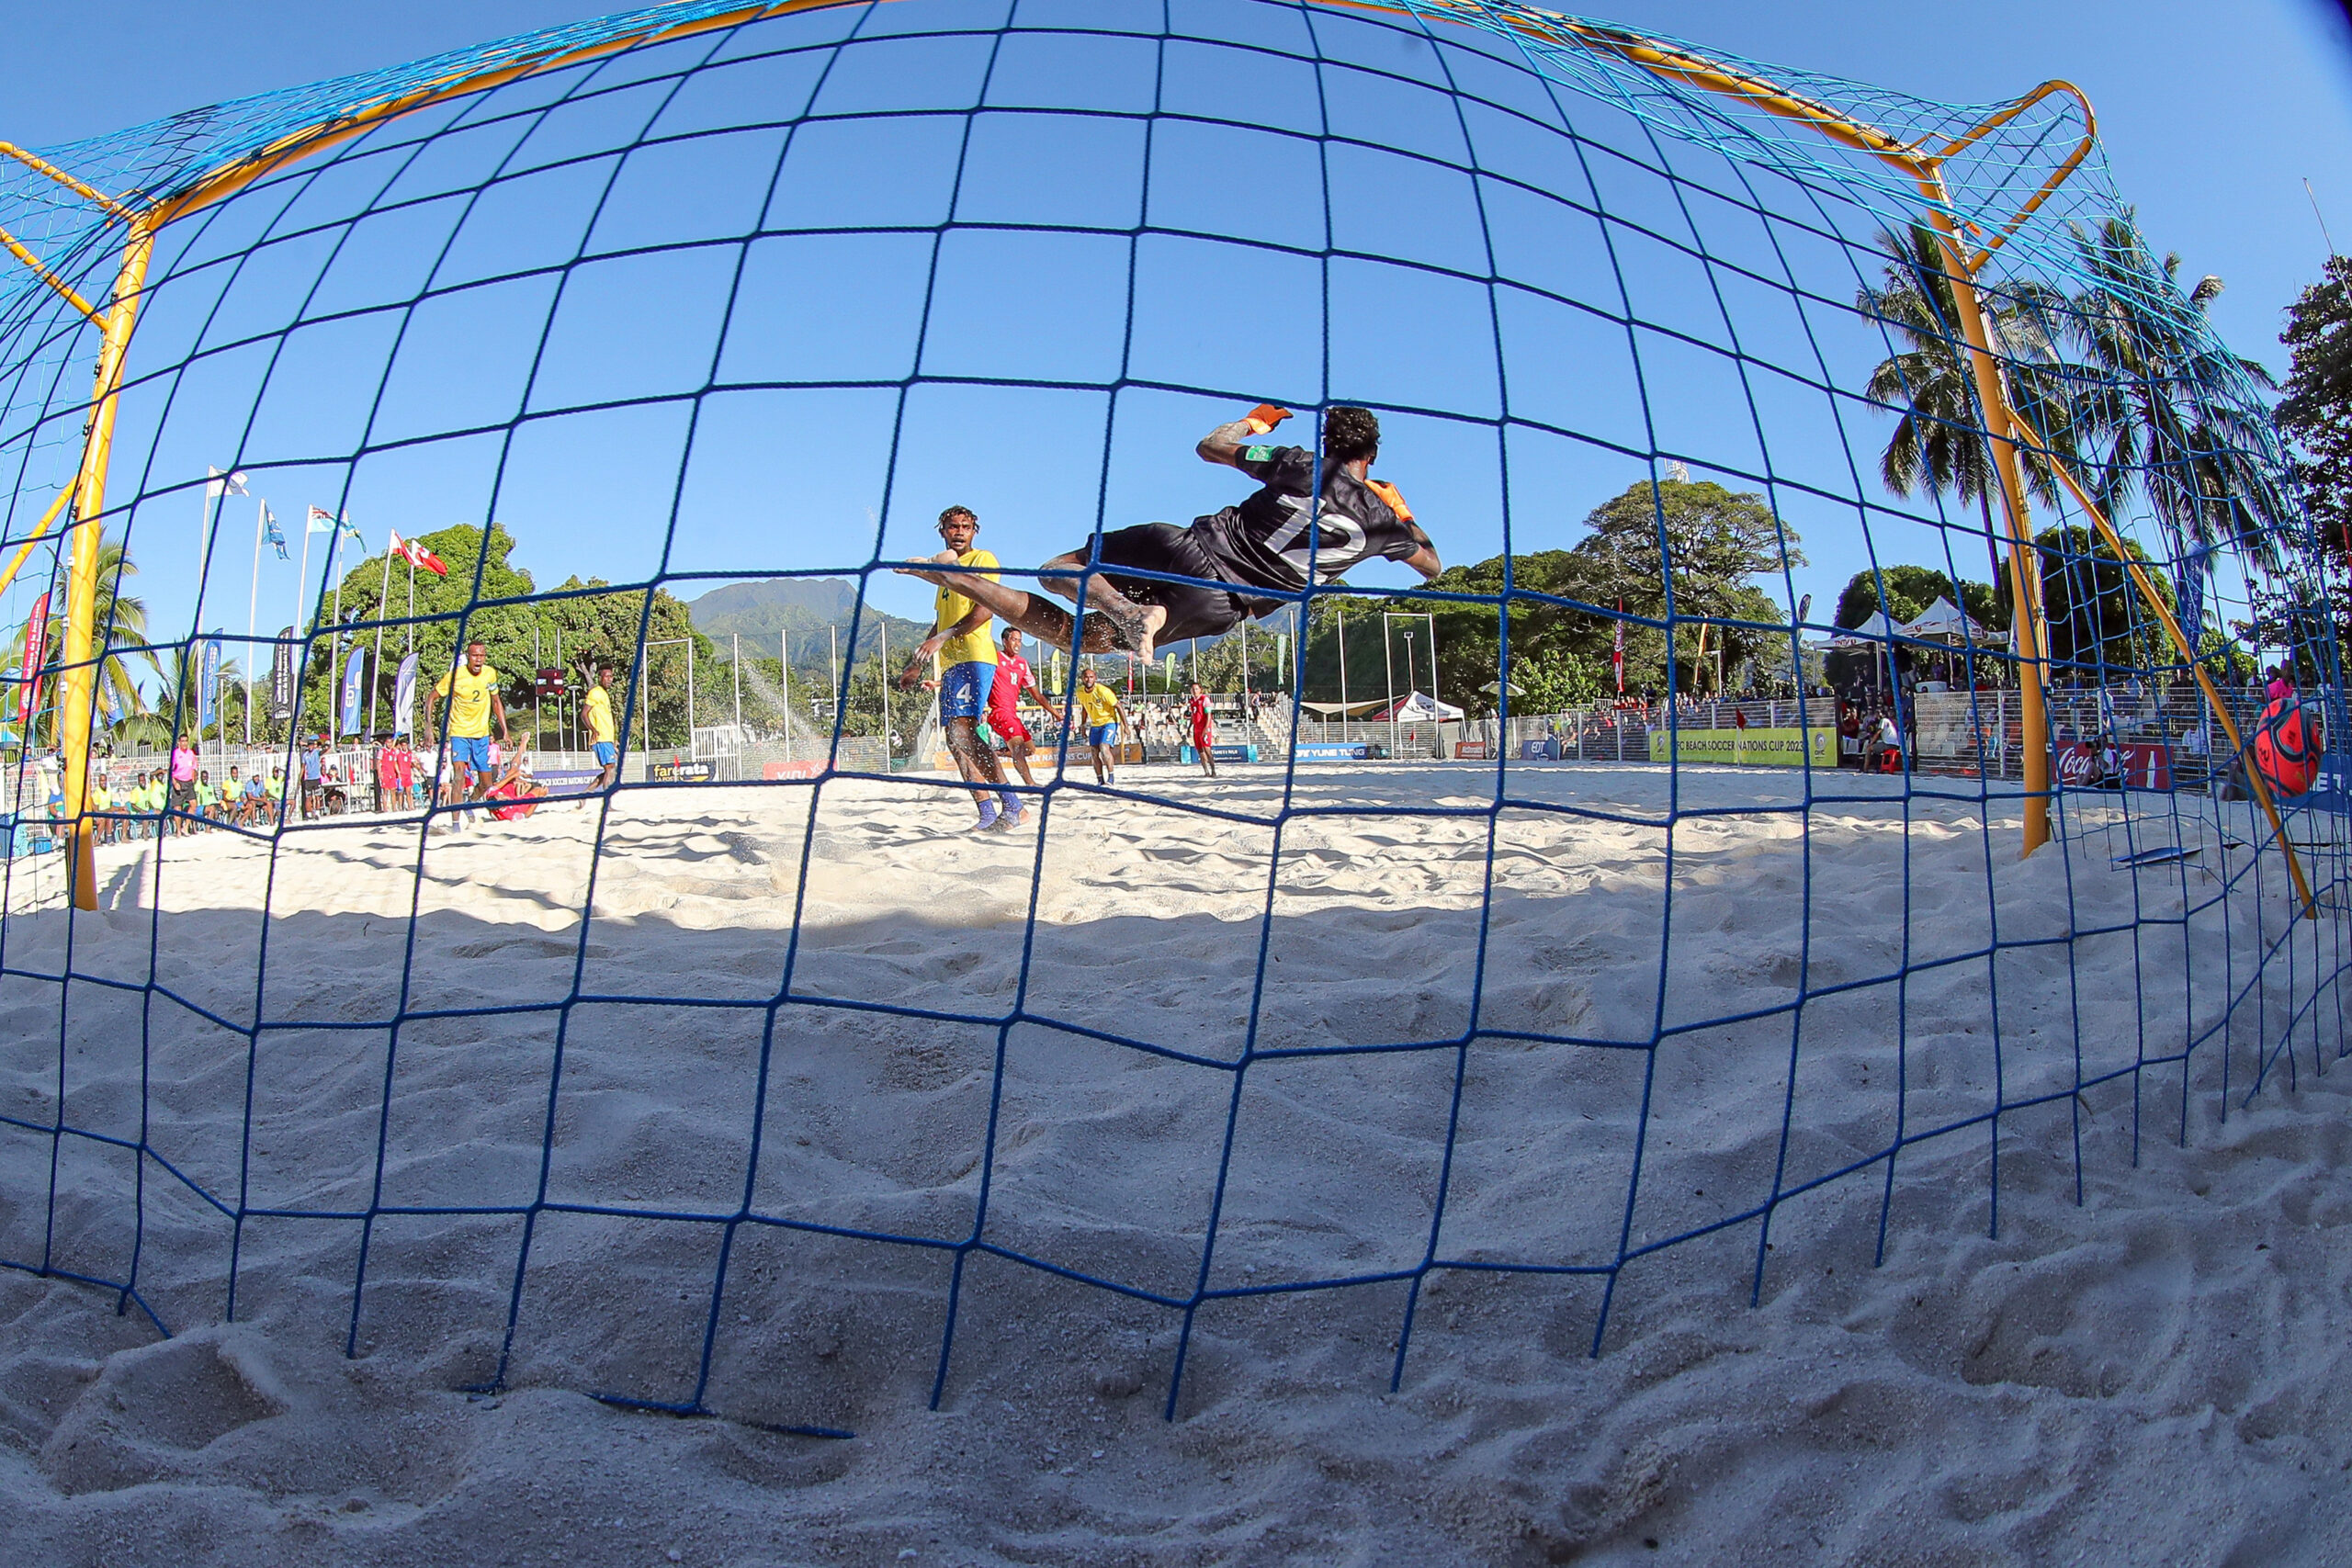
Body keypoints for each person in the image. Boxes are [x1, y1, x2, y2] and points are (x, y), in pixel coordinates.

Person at [894, 406, 1442, 663]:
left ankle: (967, 580)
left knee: (1057, 570)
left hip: (1185, 548)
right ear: (1371, 456)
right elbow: (1431, 566)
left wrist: (1257, 421)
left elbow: (1211, 444)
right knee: (1077, 639)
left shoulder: (1303, 465)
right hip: (1222, 605)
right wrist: (1403, 513)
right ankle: (1139, 617)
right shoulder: (1383, 521)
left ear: (1329, 442)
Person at [898, 506, 1022, 831]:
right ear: (943, 531)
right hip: (952, 663)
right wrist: (915, 665)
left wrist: (942, 637)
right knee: (955, 740)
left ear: (974, 531)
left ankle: (1013, 804)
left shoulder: (983, 560)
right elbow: (941, 621)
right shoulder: (945, 578)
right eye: (953, 527)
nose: (959, 531)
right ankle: (986, 813)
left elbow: (984, 611)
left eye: (965, 526)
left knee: (965, 732)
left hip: (975, 656)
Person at [425, 640, 511, 809]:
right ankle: (455, 823)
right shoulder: (455, 676)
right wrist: (428, 727)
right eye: (475, 656)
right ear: (468, 657)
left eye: (482, 656)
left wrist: (505, 731)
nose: (478, 659)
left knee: (487, 784)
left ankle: (469, 805)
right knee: (458, 776)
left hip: (481, 734)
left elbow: (496, 702)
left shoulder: (490, 674)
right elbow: (431, 697)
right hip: (459, 732)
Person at [986, 628, 1046, 790]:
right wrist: (937, 683)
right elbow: (976, 676)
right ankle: (1030, 784)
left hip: (1012, 713)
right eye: (1014, 639)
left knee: (1029, 750)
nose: (1017, 644)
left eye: (1020, 640)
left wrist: (1056, 713)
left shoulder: (1022, 663)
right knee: (1019, 749)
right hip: (1000, 712)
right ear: (1005, 641)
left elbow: (1036, 694)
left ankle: (998, 753)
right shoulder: (994, 658)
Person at [1072, 666, 1125, 786]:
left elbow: (1119, 706)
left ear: (1095, 678)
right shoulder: (1080, 692)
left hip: (1109, 722)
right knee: (1094, 751)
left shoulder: (1103, 691)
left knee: (1104, 747)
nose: (1088, 679)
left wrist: (1125, 725)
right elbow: (1084, 708)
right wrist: (1083, 725)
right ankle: (1100, 780)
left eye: (1091, 677)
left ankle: (1111, 778)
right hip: (1095, 724)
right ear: (1082, 679)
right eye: (1086, 677)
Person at [583, 666, 620, 794]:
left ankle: (586, 792)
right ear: (600, 678)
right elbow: (584, 714)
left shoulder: (604, 694)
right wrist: (593, 730)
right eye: (607, 676)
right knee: (610, 768)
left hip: (607, 739)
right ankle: (607, 800)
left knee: (609, 769)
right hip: (600, 738)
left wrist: (613, 740)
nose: (610, 679)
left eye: (611, 676)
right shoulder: (595, 692)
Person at [1184, 681, 1218, 778]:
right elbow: (1193, 716)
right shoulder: (1192, 701)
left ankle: (1213, 770)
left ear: (1200, 690)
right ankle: (1206, 771)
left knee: (1207, 749)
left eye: (1196, 689)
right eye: (1193, 689)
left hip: (1204, 727)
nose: (1194, 691)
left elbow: (1208, 716)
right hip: (1196, 728)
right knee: (1200, 750)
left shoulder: (1205, 699)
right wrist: (1189, 727)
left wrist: (1206, 728)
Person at [168, 738, 198, 834]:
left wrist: (193, 777)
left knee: (193, 804)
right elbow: (170, 771)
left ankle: (186, 827)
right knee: (178, 807)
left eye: (186, 741)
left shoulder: (191, 753)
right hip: (178, 781)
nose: (184, 743)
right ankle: (178, 831)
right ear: (179, 742)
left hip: (188, 782)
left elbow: (194, 767)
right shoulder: (175, 754)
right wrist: (175, 782)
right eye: (182, 741)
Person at [300, 736, 324, 819]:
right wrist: (300, 778)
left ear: (314, 746)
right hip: (308, 779)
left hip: (316, 778)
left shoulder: (316, 752)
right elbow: (303, 767)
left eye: (311, 745)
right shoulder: (305, 755)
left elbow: (325, 749)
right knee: (308, 797)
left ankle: (317, 812)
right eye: (309, 745)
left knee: (317, 796)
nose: (310, 747)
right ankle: (309, 813)